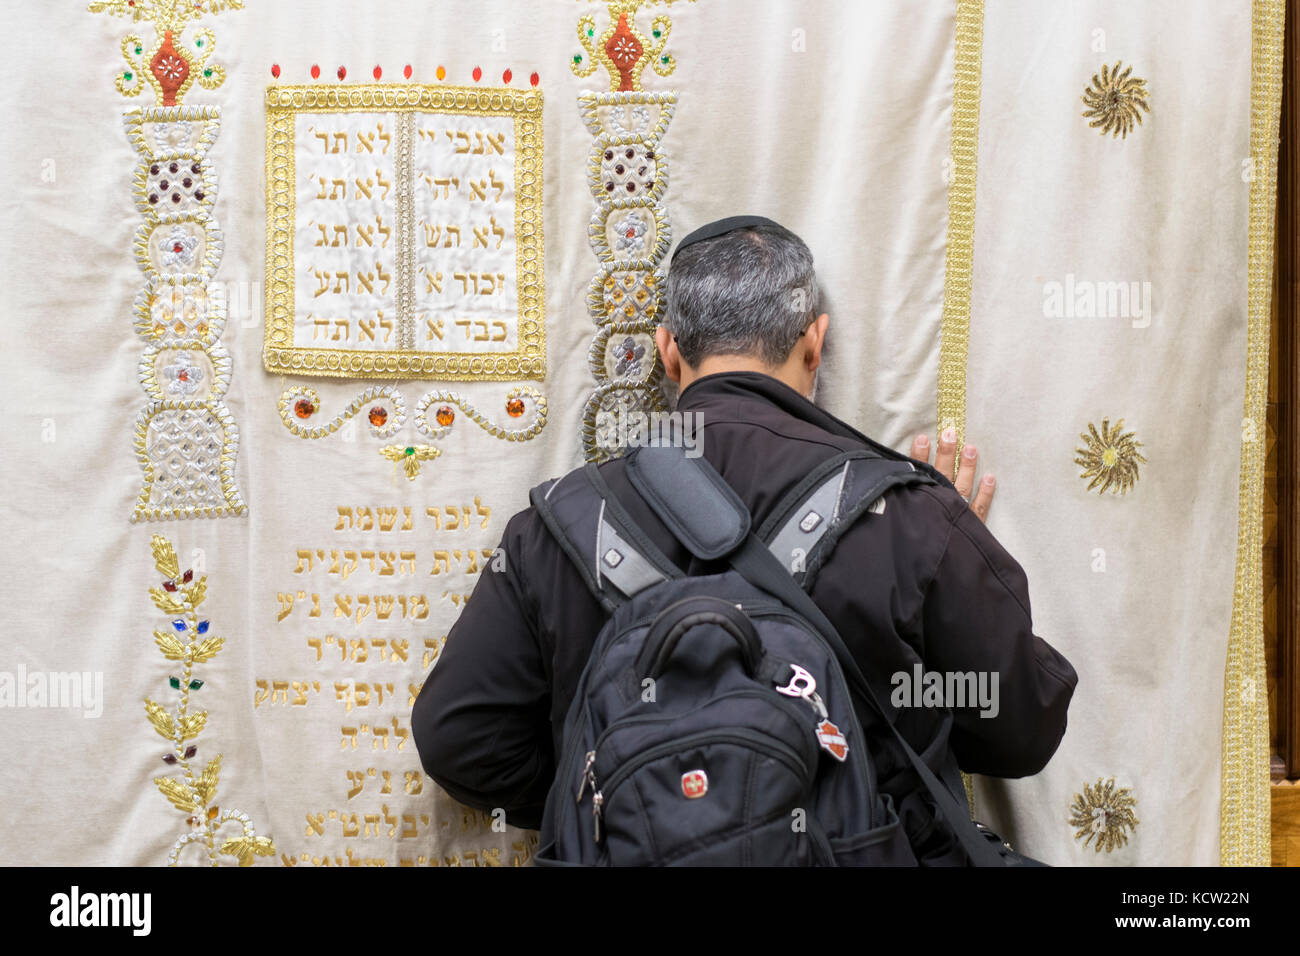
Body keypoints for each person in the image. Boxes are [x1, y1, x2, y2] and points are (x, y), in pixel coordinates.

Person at [412, 216, 1078, 862]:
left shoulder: (550, 531)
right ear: (815, 341)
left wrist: (621, 803)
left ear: (668, 349)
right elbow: (1020, 734)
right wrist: (958, 550)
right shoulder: (908, 517)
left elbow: (459, 739)